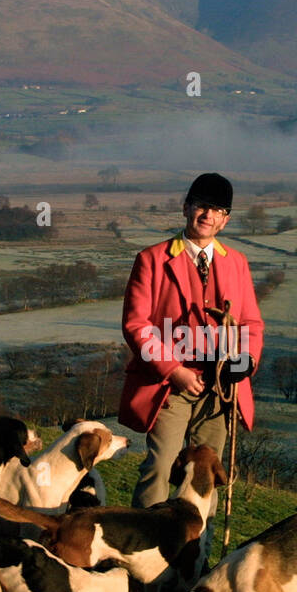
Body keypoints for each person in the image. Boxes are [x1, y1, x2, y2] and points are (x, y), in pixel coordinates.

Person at [119, 173, 264, 509]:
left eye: (218, 211)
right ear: (186, 208)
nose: (208, 215)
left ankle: (197, 556)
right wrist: (174, 371)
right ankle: (142, 548)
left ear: (225, 220)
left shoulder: (238, 263)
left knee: (207, 474)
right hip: (169, 386)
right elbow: (136, 325)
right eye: (202, 206)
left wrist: (247, 361)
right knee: (159, 467)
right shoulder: (151, 259)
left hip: (220, 388)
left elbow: (252, 323)